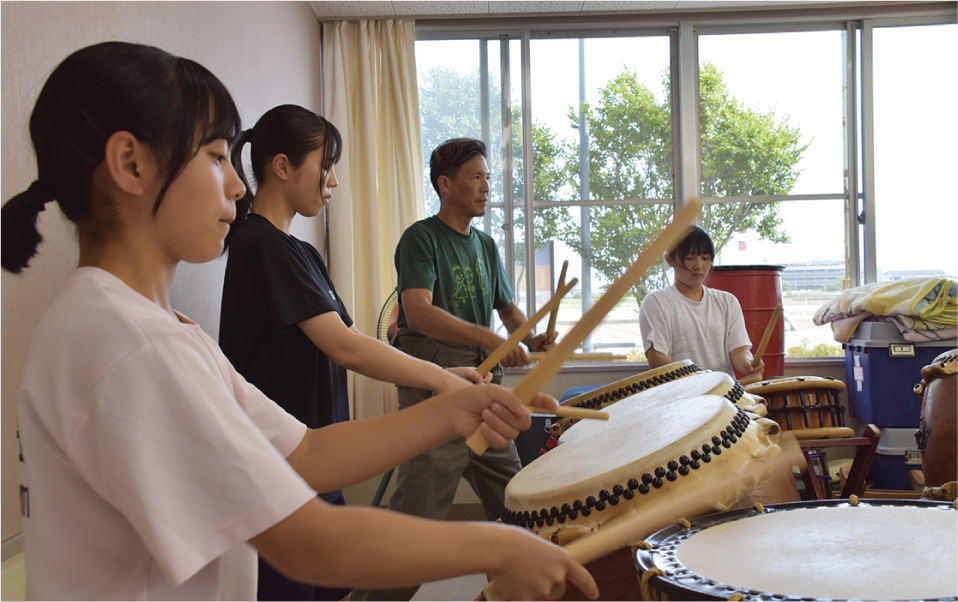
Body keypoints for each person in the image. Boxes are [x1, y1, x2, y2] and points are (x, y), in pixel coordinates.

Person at [0, 41, 598, 602]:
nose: (237, 183)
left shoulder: (138, 326)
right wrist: (498, 545)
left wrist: (452, 406)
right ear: (131, 163)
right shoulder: (132, 344)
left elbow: (304, 452)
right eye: (214, 157)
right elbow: (308, 543)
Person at [220, 105, 489, 602]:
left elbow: (355, 335)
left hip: (317, 457)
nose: (333, 181)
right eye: (326, 164)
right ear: (282, 166)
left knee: (335, 585)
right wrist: (443, 381)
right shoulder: (261, 245)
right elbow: (346, 348)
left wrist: (443, 375)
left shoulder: (297, 251)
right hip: (280, 467)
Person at [351, 138, 557, 602]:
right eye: (476, 177)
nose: (486, 187)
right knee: (417, 524)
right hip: (436, 388)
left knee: (517, 504)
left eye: (487, 177)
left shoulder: (484, 245)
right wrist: (490, 339)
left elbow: (505, 311)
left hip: (485, 390)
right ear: (445, 184)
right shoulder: (420, 238)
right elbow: (418, 313)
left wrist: (529, 339)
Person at [639, 225, 763, 378]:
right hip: (679, 395)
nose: (698, 266)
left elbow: (739, 350)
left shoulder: (727, 302)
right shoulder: (656, 301)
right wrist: (696, 379)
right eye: (689, 258)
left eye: (705, 258)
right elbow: (656, 356)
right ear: (669, 260)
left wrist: (748, 363)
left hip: (723, 395)